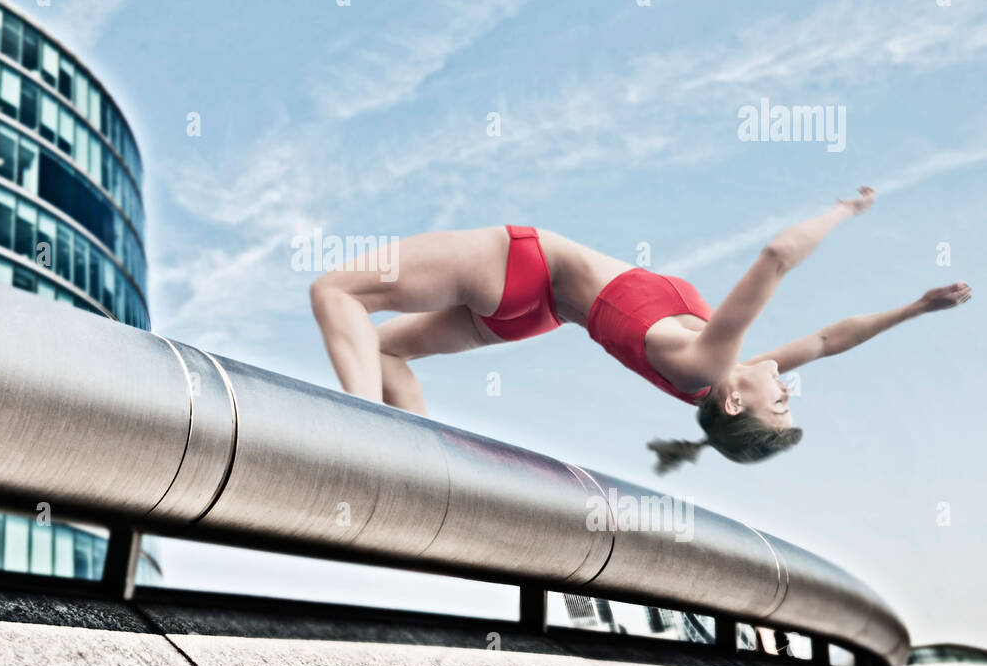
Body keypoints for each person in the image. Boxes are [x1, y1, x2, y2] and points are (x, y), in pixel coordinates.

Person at [308, 188, 971, 471]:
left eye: (780, 402)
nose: (790, 388)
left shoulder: (711, 362)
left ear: (735, 401)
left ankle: (365, 426)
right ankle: (420, 456)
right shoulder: (705, 378)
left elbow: (773, 259)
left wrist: (843, 209)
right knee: (384, 349)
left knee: (335, 290)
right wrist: (914, 309)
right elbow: (828, 341)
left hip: (523, 266)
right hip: (531, 316)